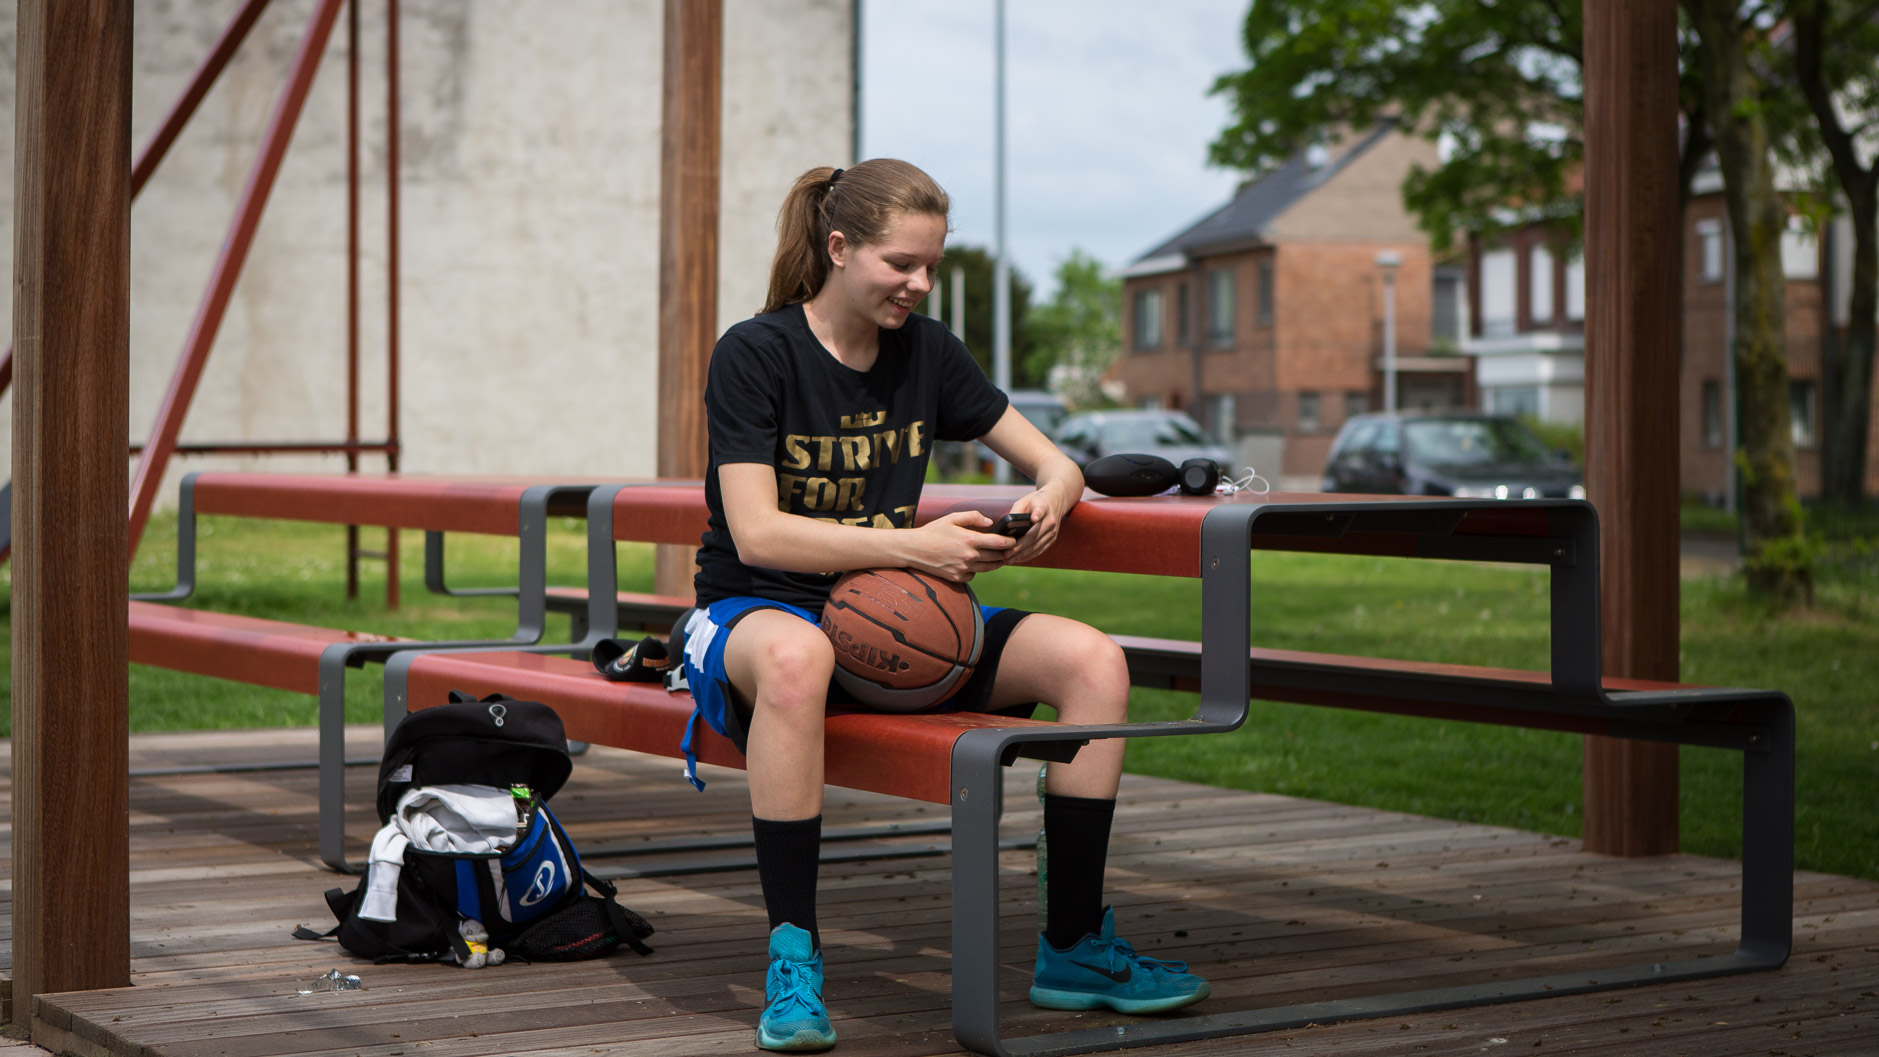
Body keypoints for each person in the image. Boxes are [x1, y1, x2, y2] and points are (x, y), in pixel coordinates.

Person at [677, 158, 1209, 1053]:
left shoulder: (926, 350)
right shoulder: (756, 353)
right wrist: (916, 546)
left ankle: (1074, 944)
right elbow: (759, 534)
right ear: (839, 249)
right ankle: (794, 958)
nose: (919, 285)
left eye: (932, 265)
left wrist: (1048, 500)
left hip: (888, 619)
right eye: (901, 264)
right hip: (752, 612)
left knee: (1093, 661)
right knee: (796, 658)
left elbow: (1056, 459)